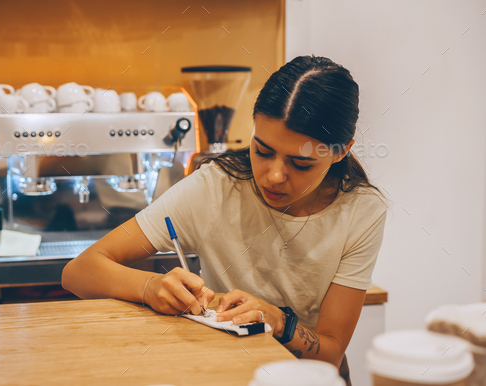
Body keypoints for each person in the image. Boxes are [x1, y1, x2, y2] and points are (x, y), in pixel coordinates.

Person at [62, 55, 389, 385]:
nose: (274, 176)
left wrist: (280, 323)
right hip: (223, 373)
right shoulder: (216, 187)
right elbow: (78, 271)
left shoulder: (361, 210)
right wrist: (150, 287)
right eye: (262, 150)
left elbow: (331, 353)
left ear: (340, 151)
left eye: (300, 164)